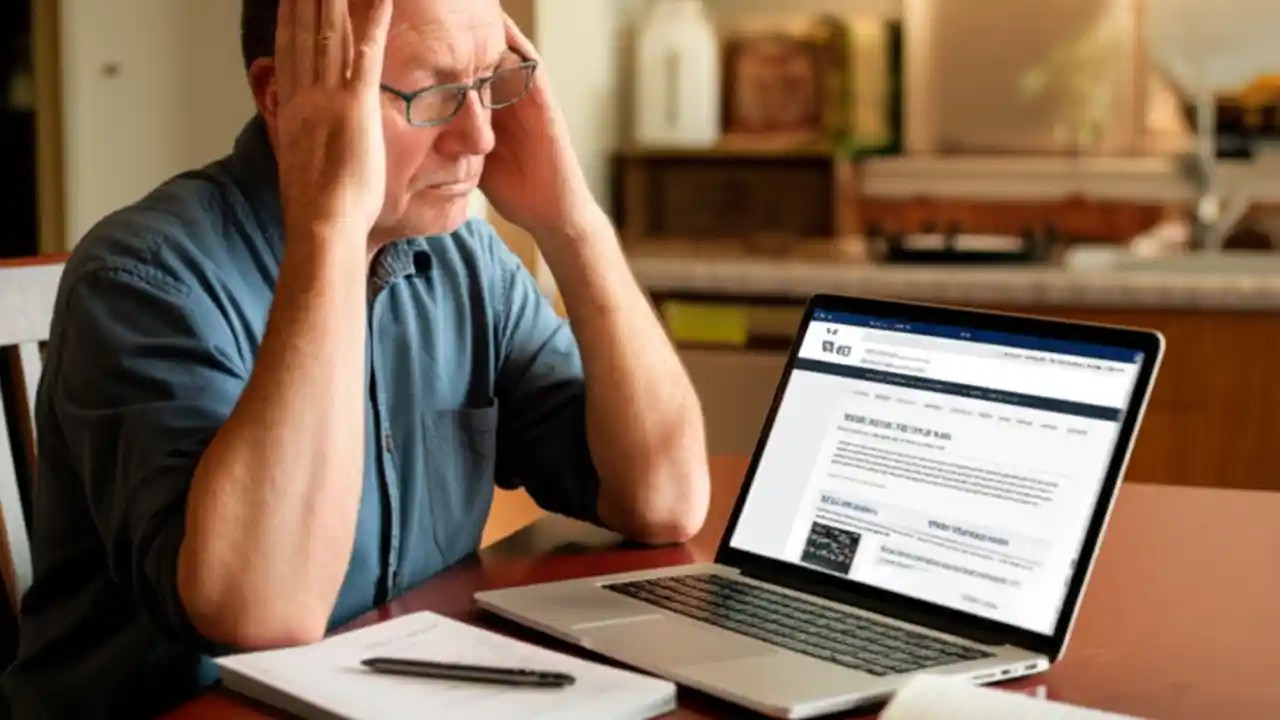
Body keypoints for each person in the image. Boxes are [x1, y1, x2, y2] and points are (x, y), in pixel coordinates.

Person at [2, 0, 710, 716]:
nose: (480, 136)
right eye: (434, 95)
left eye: (489, 84)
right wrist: (332, 227)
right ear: (283, 100)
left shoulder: (462, 253)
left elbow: (664, 498)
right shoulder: (141, 280)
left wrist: (571, 219)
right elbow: (261, 614)